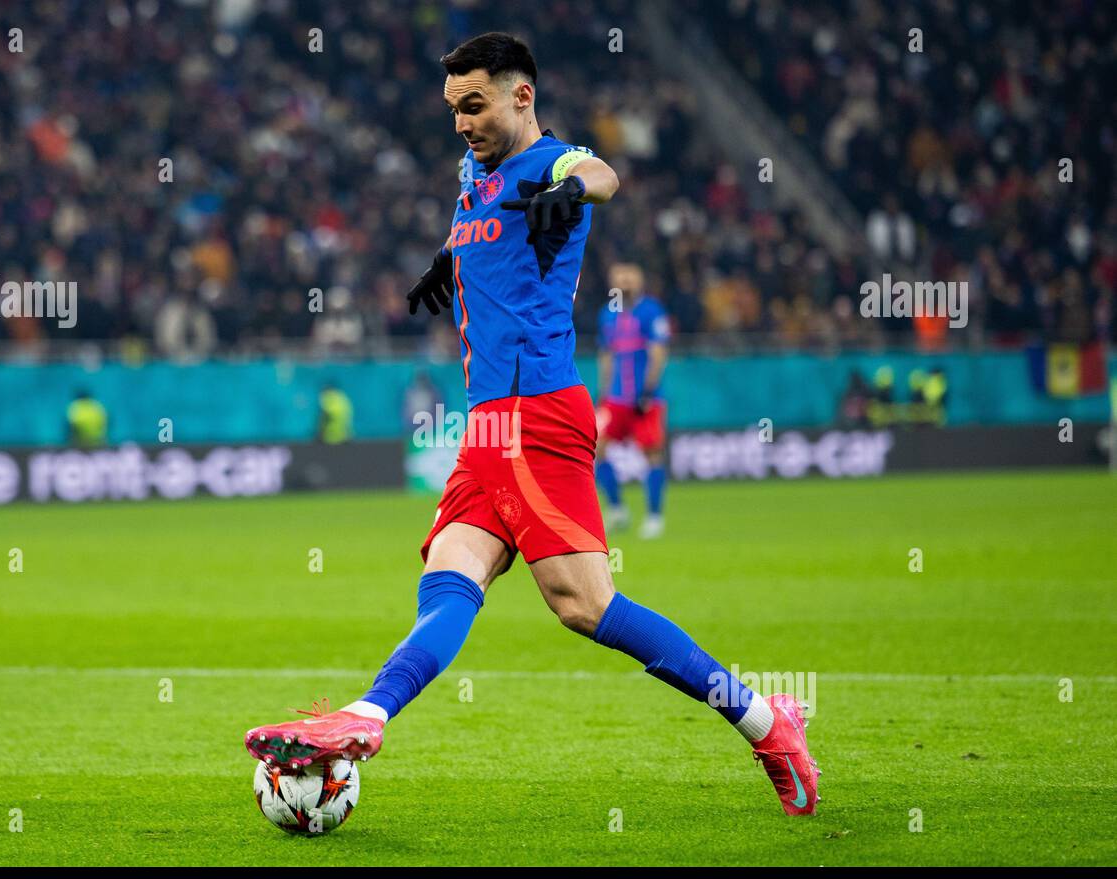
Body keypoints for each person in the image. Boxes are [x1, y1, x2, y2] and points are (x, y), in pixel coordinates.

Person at [245, 33, 819, 816]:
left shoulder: (550, 160)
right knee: (448, 584)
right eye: (452, 110)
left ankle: (766, 721)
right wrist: (450, 261)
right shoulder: (471, 173)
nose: (461, 124)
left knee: (584, 604)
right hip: (486, 427)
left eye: (473, 105)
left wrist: (573, 193)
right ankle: (366, 715)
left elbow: (600, 174)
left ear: (521, 96)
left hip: (536, 416)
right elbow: (478, 223)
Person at [593, 262, 671, 538]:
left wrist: (648, 391)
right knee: (597, 448)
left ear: (640, 281)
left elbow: (658, 352)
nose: (624, 282)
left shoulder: (651, 311)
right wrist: (603, 393)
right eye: (619, 278)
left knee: (651, 453)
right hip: (615, 399)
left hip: (644, 399)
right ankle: (617, 510)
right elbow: (606, 355)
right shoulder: (607, 315)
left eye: (630, 277)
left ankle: (654, 517)